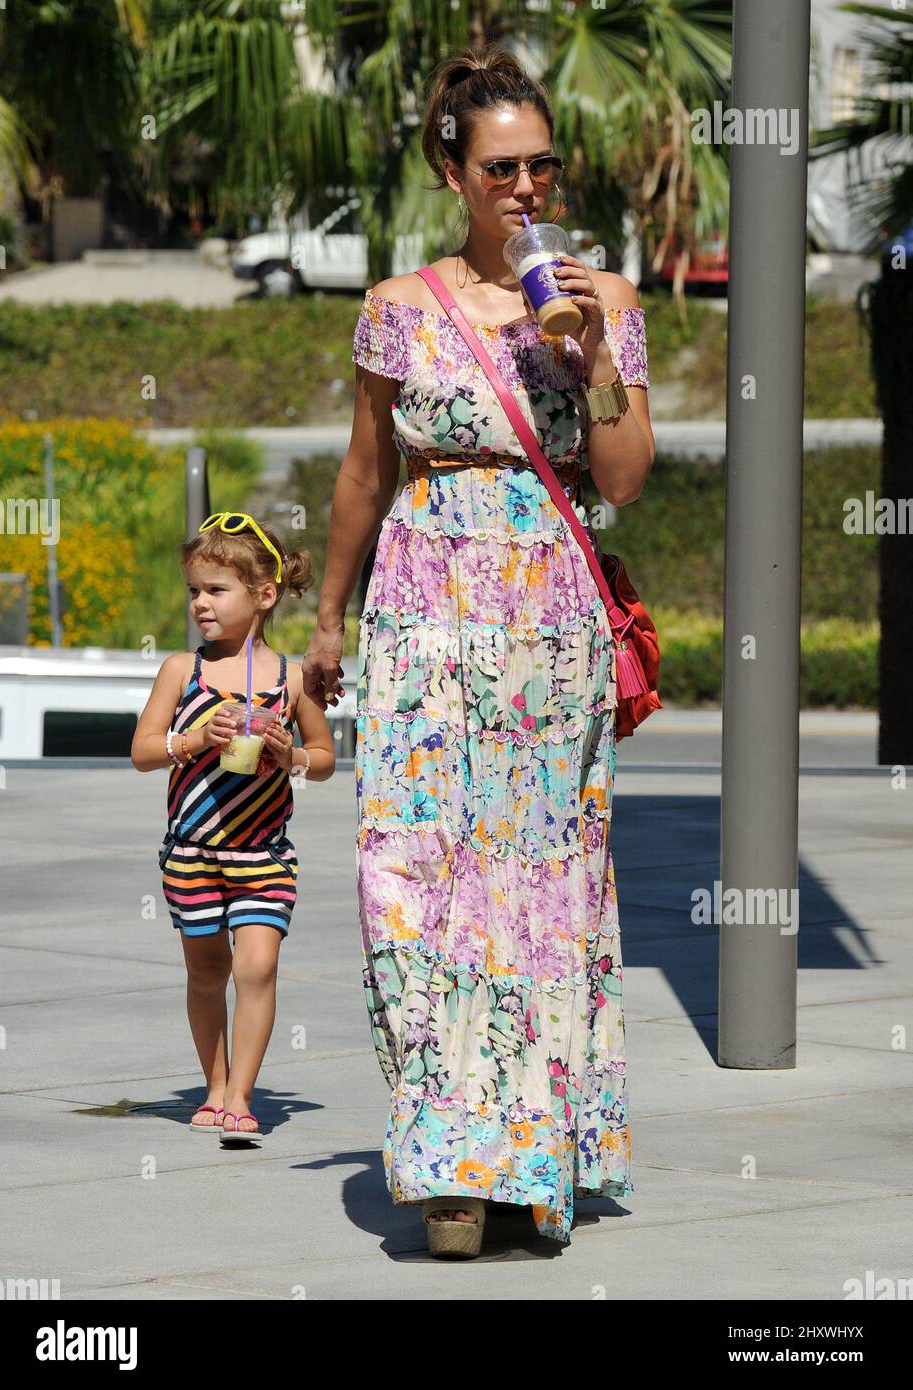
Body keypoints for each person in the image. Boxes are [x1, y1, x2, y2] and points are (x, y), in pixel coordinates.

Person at [302, 45, 655, 1257]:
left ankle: (524, 1163)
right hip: (420, 596)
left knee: (540, 881)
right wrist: (324, 616)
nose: (526, 187)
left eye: (541, 164)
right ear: (450, 170)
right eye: (500, 166)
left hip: (546, 616)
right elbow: (361, 472)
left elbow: (622, 482)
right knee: (414, 870)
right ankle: (450, 1156)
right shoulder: (399, 308)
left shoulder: (603, 297)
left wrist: (594, 356)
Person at [131, 512, 336, 1143]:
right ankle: (214, 1084)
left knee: (257, 968)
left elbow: (325, 758)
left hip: (263, 854)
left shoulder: (291, 679)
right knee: (205, 972)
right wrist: (193, 739)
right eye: (195, 589)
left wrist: (290, 756)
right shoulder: (179, 672)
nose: (200, 603)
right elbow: (142, 751)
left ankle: (242, 1096)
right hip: (191, 852)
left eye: (216, 590)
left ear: (264, 595)